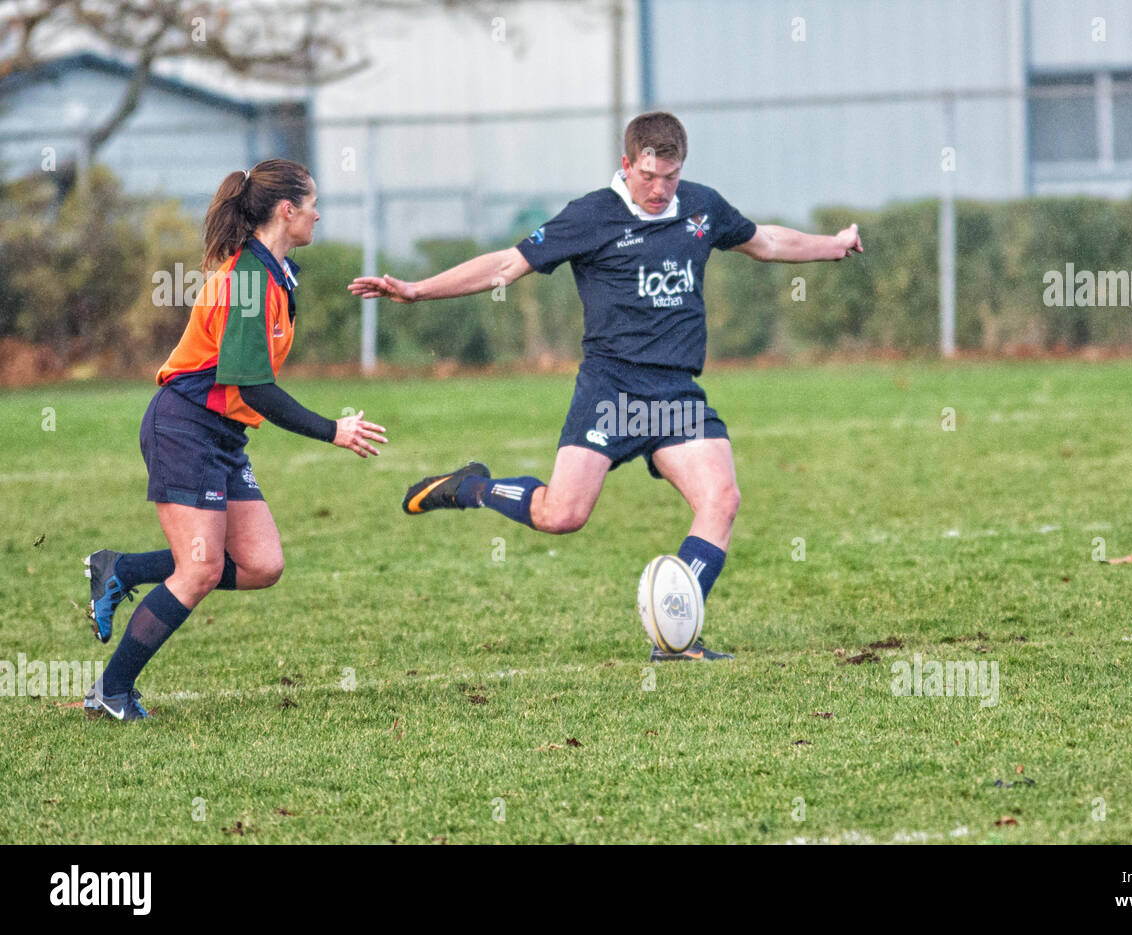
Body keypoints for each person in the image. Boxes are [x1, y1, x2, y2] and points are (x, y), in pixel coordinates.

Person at [349, 112, 859, 661]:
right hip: (611, 392)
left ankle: (674, 635)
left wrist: (832, 244)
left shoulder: (702, 206)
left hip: (675, 395)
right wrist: (418, 290)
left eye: (672, 176)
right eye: (649, 176)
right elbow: (506, 264)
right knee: (561, 516)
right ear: (627, 164)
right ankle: (472, 487)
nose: (661, 189)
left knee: (721, 499)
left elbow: (766, 242)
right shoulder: (591, 216)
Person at [83, 158, 387, 720]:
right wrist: (334, 430)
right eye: (312, 203)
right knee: (198, 570)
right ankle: (110, 690)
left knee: (261, 564)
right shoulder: (248, 278)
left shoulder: (275, 273)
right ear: (286, 210)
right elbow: (254, 386)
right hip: (185, 428)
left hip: (221, 436)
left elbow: (253, 389)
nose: (319, 214)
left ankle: (120, 568)